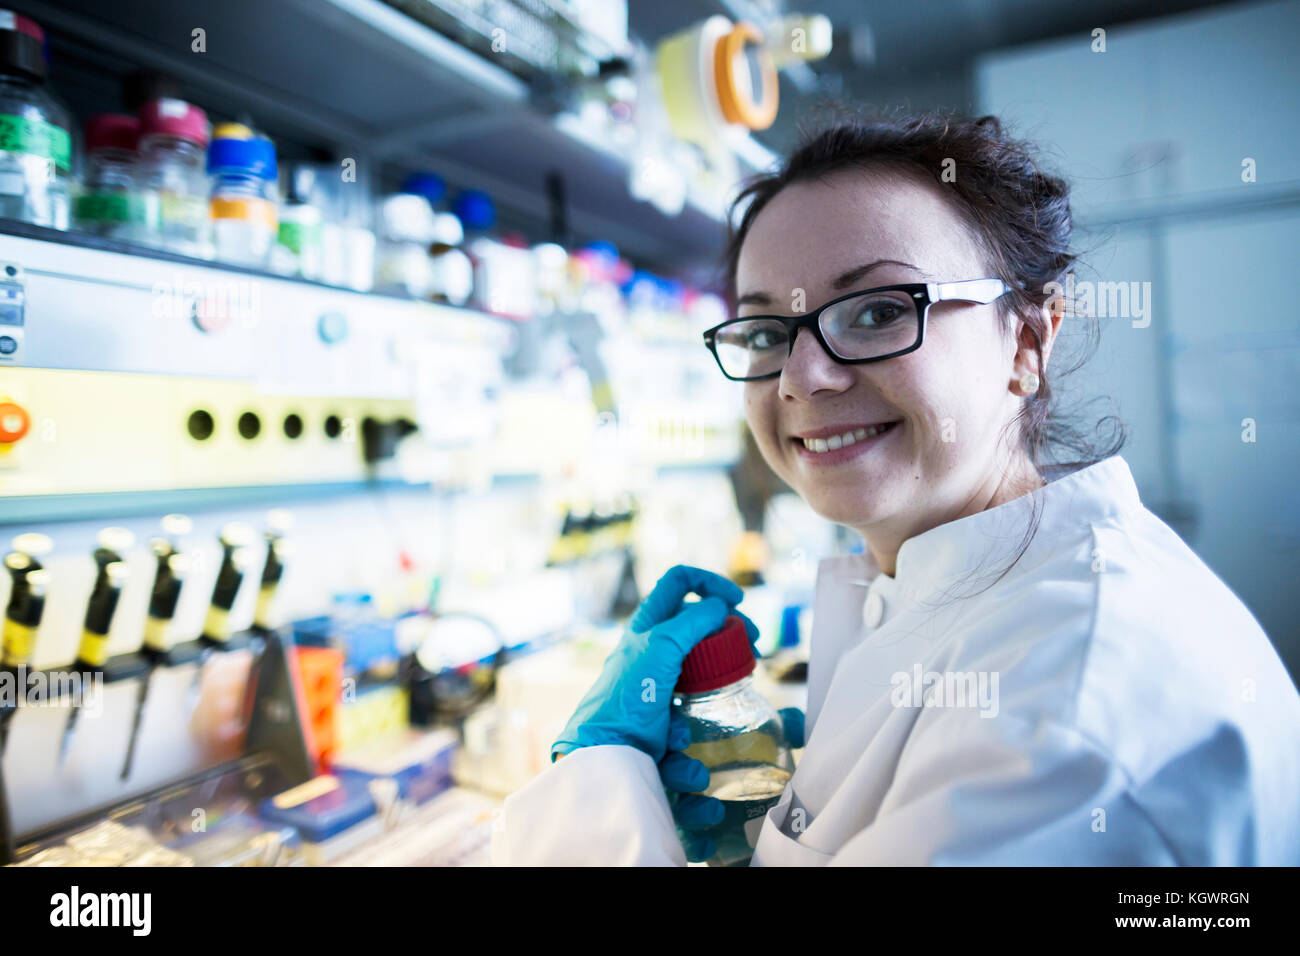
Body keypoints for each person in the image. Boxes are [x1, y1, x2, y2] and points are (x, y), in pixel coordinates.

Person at [491, 111, 1300, 865]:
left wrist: (598, 790)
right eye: (769, 331)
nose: (802, 378)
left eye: (877, 311)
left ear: (1025, 340)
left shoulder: (1060, 718)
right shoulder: (948, 588)